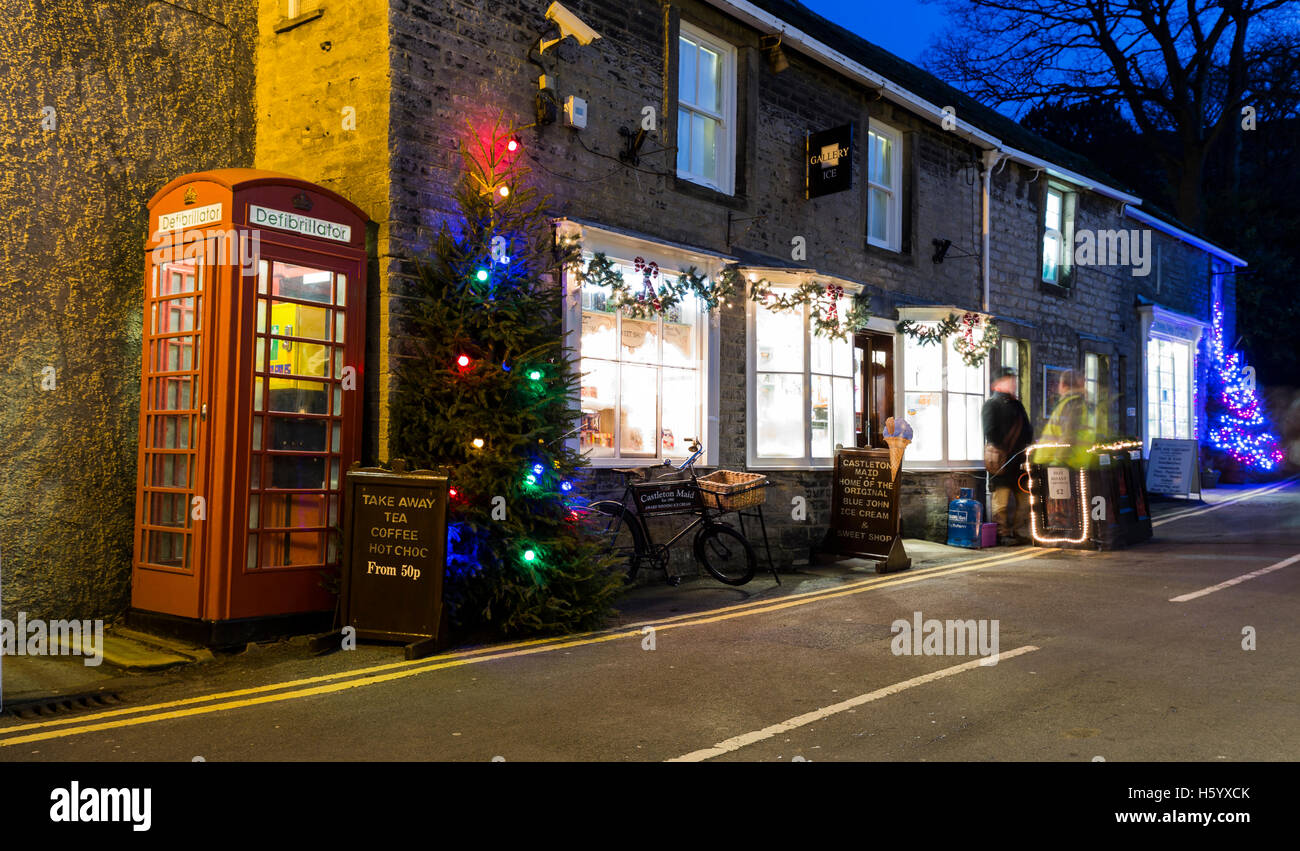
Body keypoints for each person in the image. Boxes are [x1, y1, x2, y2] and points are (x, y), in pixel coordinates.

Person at [982, 367, 1033, 544]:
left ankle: (1019, 531)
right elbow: (990, 432)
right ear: (997, 384)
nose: (1013, 384)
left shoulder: (1017, 405)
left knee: (1025, 501)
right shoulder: (991, 405)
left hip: (1019, 461)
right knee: (1000, 504)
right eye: (1009, 380)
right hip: (1002, 461)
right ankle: (1002, 534)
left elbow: (1027, 430)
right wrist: (1006, 448)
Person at [1034, 369, 1094, 468]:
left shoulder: (1072, 404)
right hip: (1070, 462)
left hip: (1060, 464)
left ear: (1063, 384)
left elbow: (1068, 435)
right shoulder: (1079, 403)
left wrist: (1057, 463)